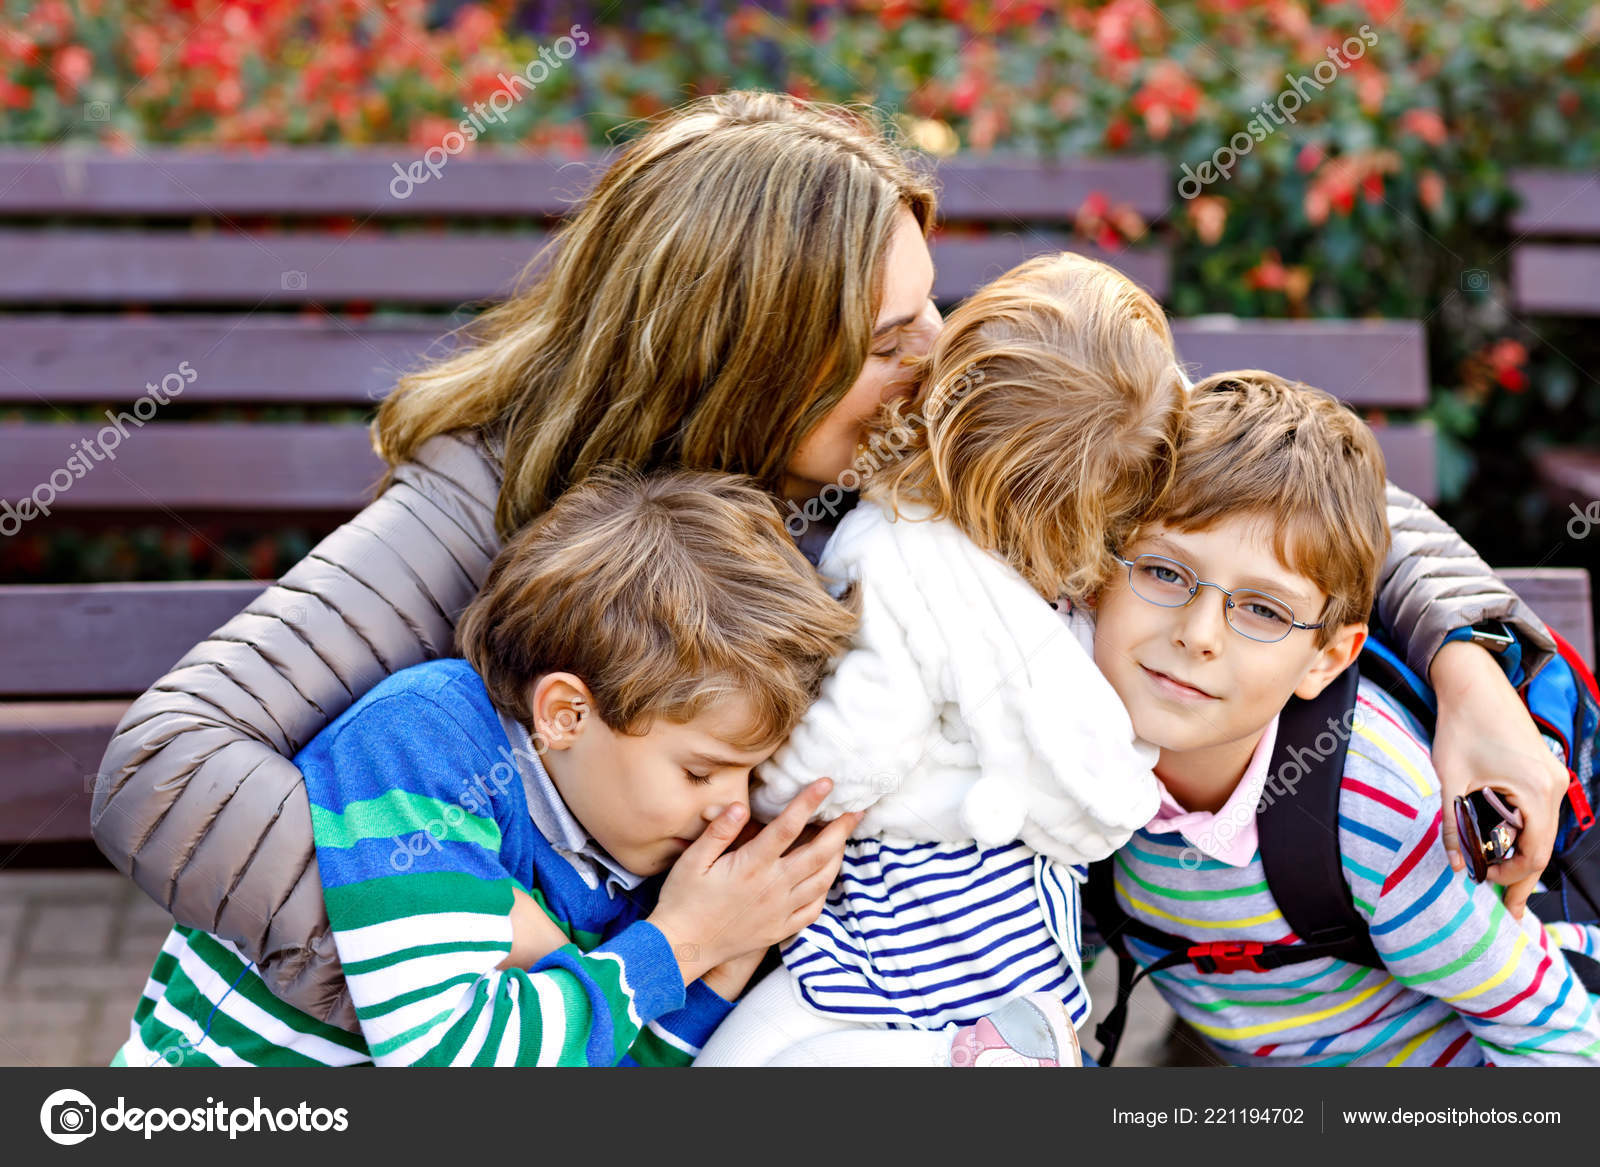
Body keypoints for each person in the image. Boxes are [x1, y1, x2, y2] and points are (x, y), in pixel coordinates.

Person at [91, 88, 1571, 1034]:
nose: (937, 354)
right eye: (886, 338)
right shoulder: (492, 496)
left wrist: (1468, 664)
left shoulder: (921, 432)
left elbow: (1264, 483)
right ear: (743, 360)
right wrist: (510, 958)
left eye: (933, 305)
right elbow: (164, 768)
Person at [114, 470, 864, 1066]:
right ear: (566, 714)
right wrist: (682, 943)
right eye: (701, 772)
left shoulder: (635, 851)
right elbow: (448, 1056)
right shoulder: (425, 742)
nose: (732, 810)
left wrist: (728, 955)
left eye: (750, 775)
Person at [696, 252, 1180, 1067]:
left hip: (904, 923)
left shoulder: (895, 550)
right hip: (1022, 930)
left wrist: (759, 788)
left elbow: (854, 753)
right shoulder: (1077, 590)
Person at [1086, 372, 1600, 1065]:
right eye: (1165, 572)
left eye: (1262, 610)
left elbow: (1561, 1041)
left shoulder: (1383, 814)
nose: (1198, 634)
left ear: (1326, 659)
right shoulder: (1054, 761)